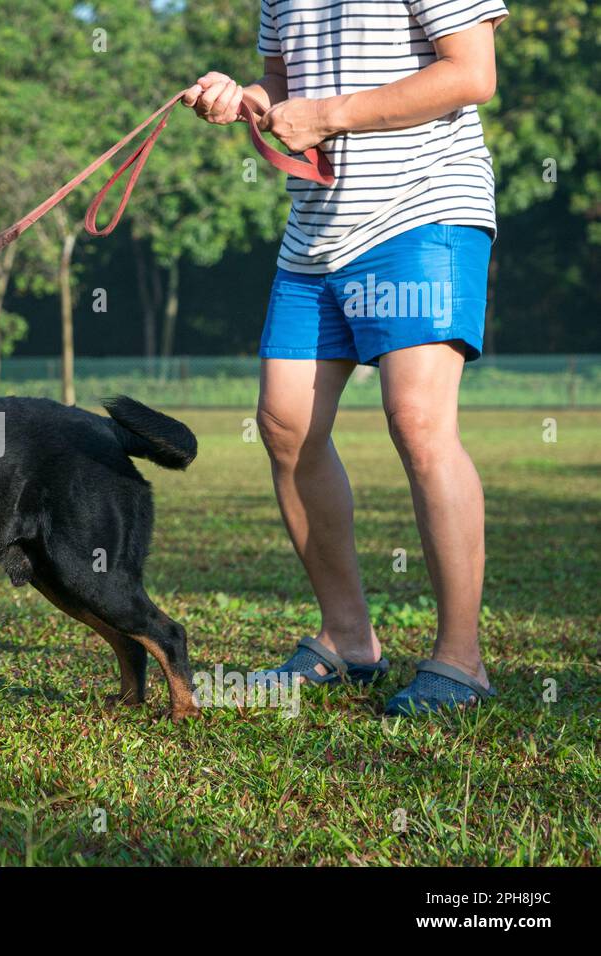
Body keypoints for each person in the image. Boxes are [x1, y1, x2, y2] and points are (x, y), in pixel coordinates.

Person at [183, 0, 509, 714]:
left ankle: (461, 662)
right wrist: (242, 100)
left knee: (418, 420)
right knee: (286, 425)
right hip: (318, 229)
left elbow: (471, 72)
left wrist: (329, 116)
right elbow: (283, 85)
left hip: (423, 208)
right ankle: (348, 641)